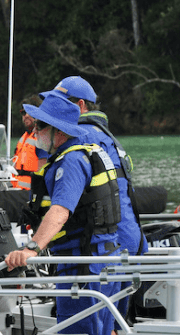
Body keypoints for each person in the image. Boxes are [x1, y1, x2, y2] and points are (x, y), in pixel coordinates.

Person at [5, 93, 122, 335]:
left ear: (58, 132)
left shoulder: (70, 162)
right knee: (102, 334)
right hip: (101, 261)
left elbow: (59, 211)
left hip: (83, 268)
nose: (35, 131)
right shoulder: (84, 153)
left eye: (40, 125)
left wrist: (31, 249)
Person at [47, 76, 147, 260]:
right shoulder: (104, 135)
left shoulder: (79, 138)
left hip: (109, 246)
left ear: (80, 105)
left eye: (60, 104)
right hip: (130, 237)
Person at [11, 100, 44, 190]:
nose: (26, 115)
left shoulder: (42, 138)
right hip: (16, 189)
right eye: (23, 113)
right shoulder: (24, 138)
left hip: (31, 191)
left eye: (29, 112)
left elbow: (44, 169)